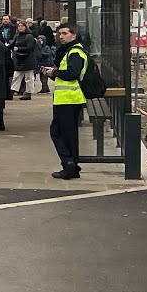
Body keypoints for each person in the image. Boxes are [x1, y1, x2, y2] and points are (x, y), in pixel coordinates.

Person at [40, 23, 88, 179]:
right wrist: (52, 73)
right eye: (59, 33)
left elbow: (72, 73)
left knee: (58, 132)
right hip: (66, 99)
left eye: (65, 33)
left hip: (69, 99)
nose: (61, 36)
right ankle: (72, 165)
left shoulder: (75, 52)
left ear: (74, 35)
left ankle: (68, 163)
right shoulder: (70, 51)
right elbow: (65, 75)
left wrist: (55, 71)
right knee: (68, 134)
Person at [9, 21, 41, 100]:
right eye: (19, 26)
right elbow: (11, 45)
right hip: (19, 59)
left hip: (28, 59)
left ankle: (28, 93)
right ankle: (12, 91)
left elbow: (30, 48)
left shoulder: (29, 36)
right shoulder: (17, 36)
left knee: (29, 77)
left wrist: (19, 48)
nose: (20, 27)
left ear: (25, 27)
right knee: (16, 76)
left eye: (22, 26)